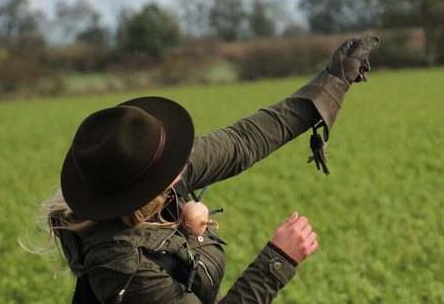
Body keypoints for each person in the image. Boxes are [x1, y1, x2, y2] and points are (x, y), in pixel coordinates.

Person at [44, 35, 379, 303]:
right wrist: (278, 261)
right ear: (146, 192)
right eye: (170, 161)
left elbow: (245, 140)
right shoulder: (122, 268)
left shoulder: (145, 179)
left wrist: (333, 82)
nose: (182, 159)